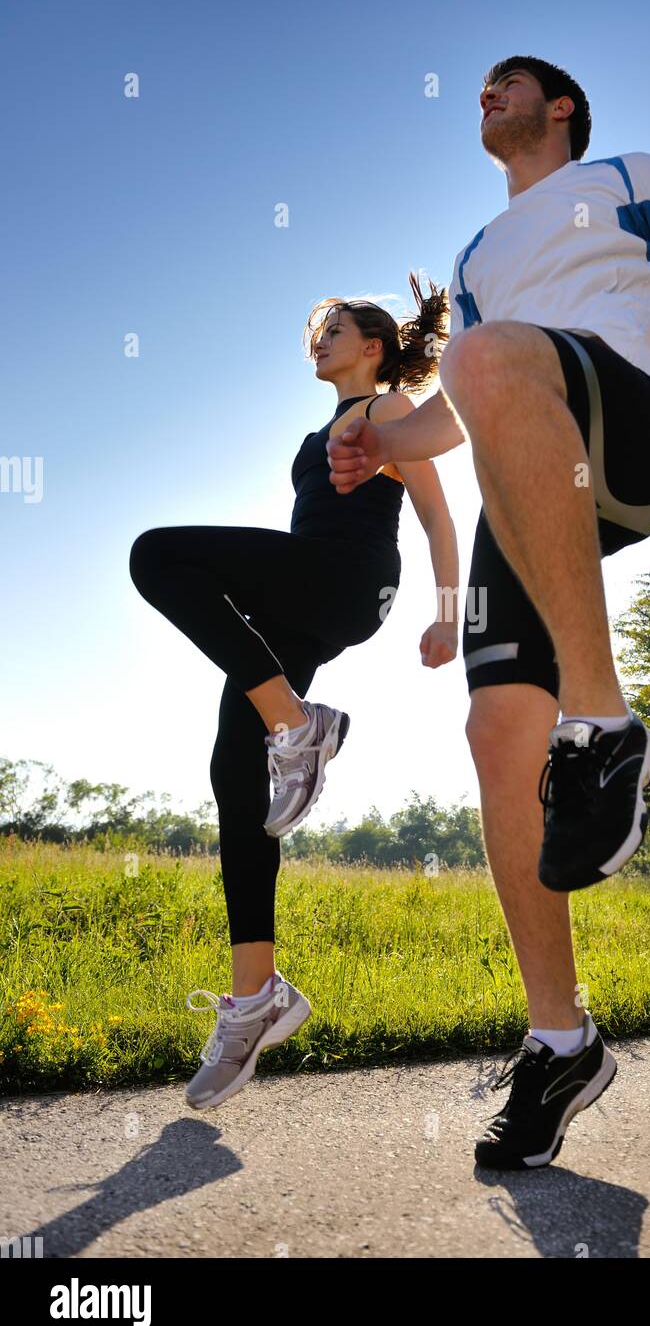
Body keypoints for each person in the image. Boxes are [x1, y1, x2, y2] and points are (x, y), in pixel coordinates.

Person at [326, 57, 650, 1169]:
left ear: (562, 110)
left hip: (630, 431)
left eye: (506, 85)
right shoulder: (475, 258)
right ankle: (560, 1039)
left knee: (492, 354)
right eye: (478, 89)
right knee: (495, 737)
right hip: (525, 468)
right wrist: (377, 443)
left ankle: (605, 722)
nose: (483, 96)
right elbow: (458, 407)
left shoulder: (631, 177)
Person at [128, 272, 459, 1110]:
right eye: (319, 331)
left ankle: (297, 724)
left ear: (374, 349)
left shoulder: (385, 412)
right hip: (306, 596)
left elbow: (437, 516)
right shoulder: (320, 431)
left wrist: (450, 613)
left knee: (157, 554)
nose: (321, 340)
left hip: (346, 583)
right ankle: (256, 999)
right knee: (236, 780)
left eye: (336, 329)